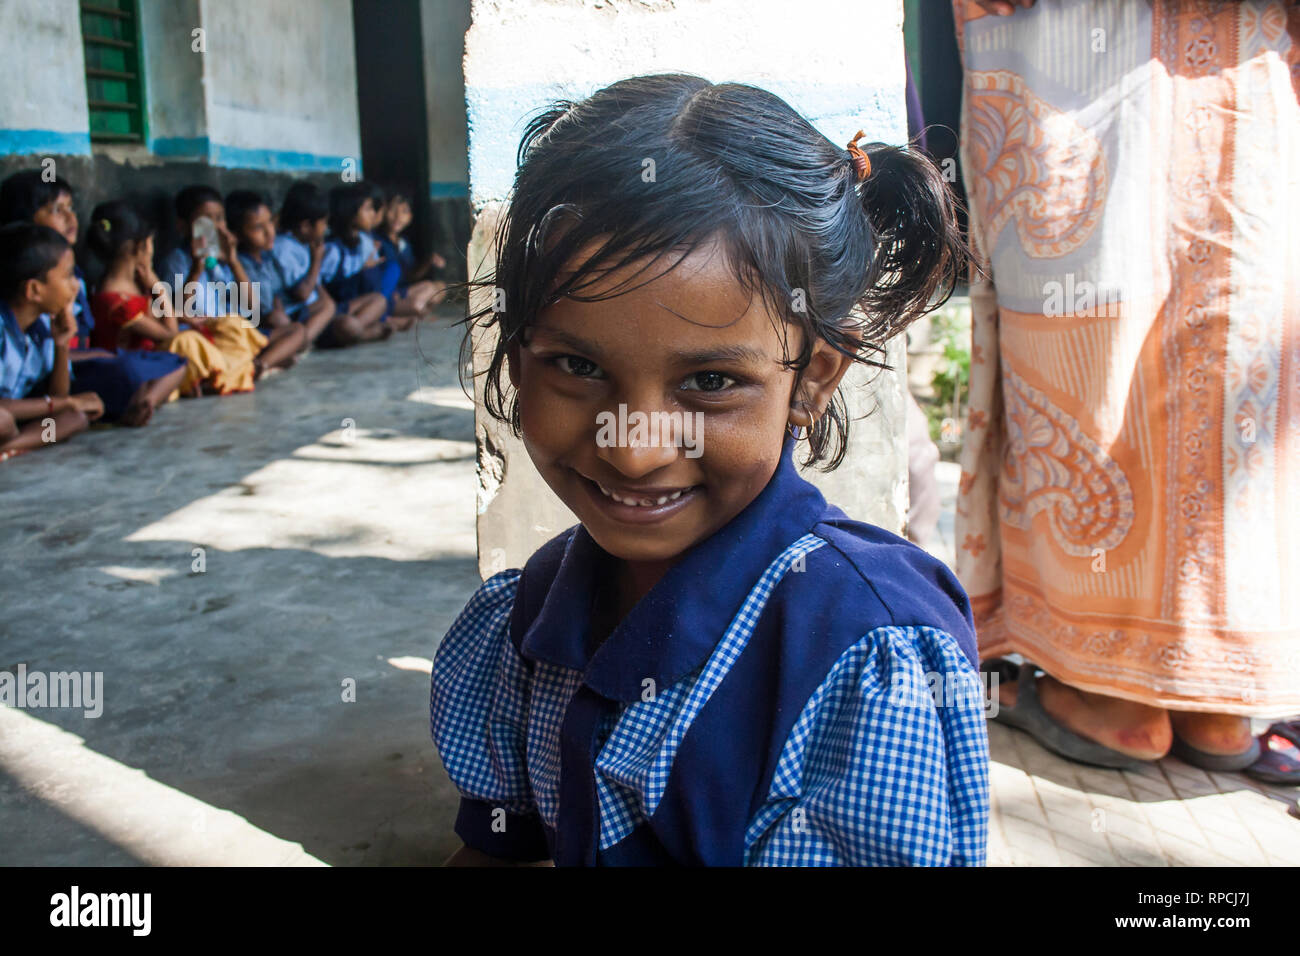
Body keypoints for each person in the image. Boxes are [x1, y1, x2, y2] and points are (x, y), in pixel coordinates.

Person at [430, 74, 989, 866]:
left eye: (711, 382)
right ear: (519, 364)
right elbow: (498, 849)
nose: (635, 447)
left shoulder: (863, 650)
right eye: (576, 365)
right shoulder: (536, 612)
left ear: (814, 378)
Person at [952, 0, 1300, 773]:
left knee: (1089, 344)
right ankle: (1219, 707)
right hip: (1248, 65)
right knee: (1227, 337)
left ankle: (1115, 699)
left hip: (1087, 64)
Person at [0, 169, 187, 426]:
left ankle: (143, 402)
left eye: (71, 207)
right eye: (57, 210)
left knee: (173, 361)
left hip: (57, 376)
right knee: (124, 372)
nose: (70, 216)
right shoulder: (25, 304)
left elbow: (61, 355)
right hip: (46, 384)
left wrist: (67, 350)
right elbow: (169, 333)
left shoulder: (71, 277)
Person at [86, 201, 292, 396]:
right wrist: (158, 286)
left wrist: (187, 317)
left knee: (230, 323)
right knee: (187, 342)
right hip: (145, 361)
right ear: (139, 248)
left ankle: (232, 369)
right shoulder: (120, 296)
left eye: (219, 218)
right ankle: (226, 373)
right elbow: (169, 332)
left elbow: (252, 309)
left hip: (160, 351)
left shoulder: (135, 283)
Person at [0, 223, 103, 459]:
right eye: (67, 276)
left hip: (14, 424)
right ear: (34, 290)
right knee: (3, 420)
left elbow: (58, 396)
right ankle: (14, 441)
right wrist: (64, 403)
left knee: (74, 418)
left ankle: (9, 446)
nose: (75, 285)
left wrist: (61, 344)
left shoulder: (42, 325)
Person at [274, 182, 389, 347]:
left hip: (322, 309)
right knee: (347, 325)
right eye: (323, 223)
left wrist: (331, 307)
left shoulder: (306, 244)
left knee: (379, 300)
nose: (326, 228)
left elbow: (320, 291)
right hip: (301, 314)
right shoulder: (285, 248)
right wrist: (316, 261)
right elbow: (303, 294)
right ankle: (357, 333)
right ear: (306, 226)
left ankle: (354, 330)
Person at [227, 189, 334, 348]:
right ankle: (297, 345)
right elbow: (256, 310)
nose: (269, 232)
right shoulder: (239, 265)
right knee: (282, 322)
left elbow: (275, 291)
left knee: (326, 305)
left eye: (269, 222)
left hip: (277, 316)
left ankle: (297, 343)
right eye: (257, 228)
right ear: (236, 234)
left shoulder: (267, 257)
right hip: (252, 326)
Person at [321, 183, 414, 331]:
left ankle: (367, 326)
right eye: (368, 209)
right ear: (350, 213)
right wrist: (363, 270)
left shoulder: (364, 241)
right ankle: (372, 325)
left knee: (388, 274)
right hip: (340, 307)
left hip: (362, 302)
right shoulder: (332, 249)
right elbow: (324, 287)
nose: (373, 214)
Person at [373, 190, 447, 318]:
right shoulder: (377, 242)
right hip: (386, 296)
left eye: (404, 211)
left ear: (410, 216)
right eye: (392, 210)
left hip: (404, 292)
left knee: (440, 287)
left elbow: (411, 277)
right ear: (383, 212)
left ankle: (413, 311)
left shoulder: (404, 244)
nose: (397, 216)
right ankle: (413, 311)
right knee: (424, 293)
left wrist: (428, 262)